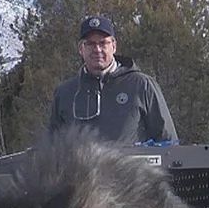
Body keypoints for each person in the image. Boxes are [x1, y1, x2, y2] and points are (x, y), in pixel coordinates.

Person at [48, 15, 178, 144]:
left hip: (129, 165)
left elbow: (168, 142)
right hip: (79, 165)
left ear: (114, 46)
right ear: (81, 49)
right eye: (91, 44)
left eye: (103, 43)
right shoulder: (64, 93)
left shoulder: (142, 85)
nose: (97, 49)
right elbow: (52, 146)